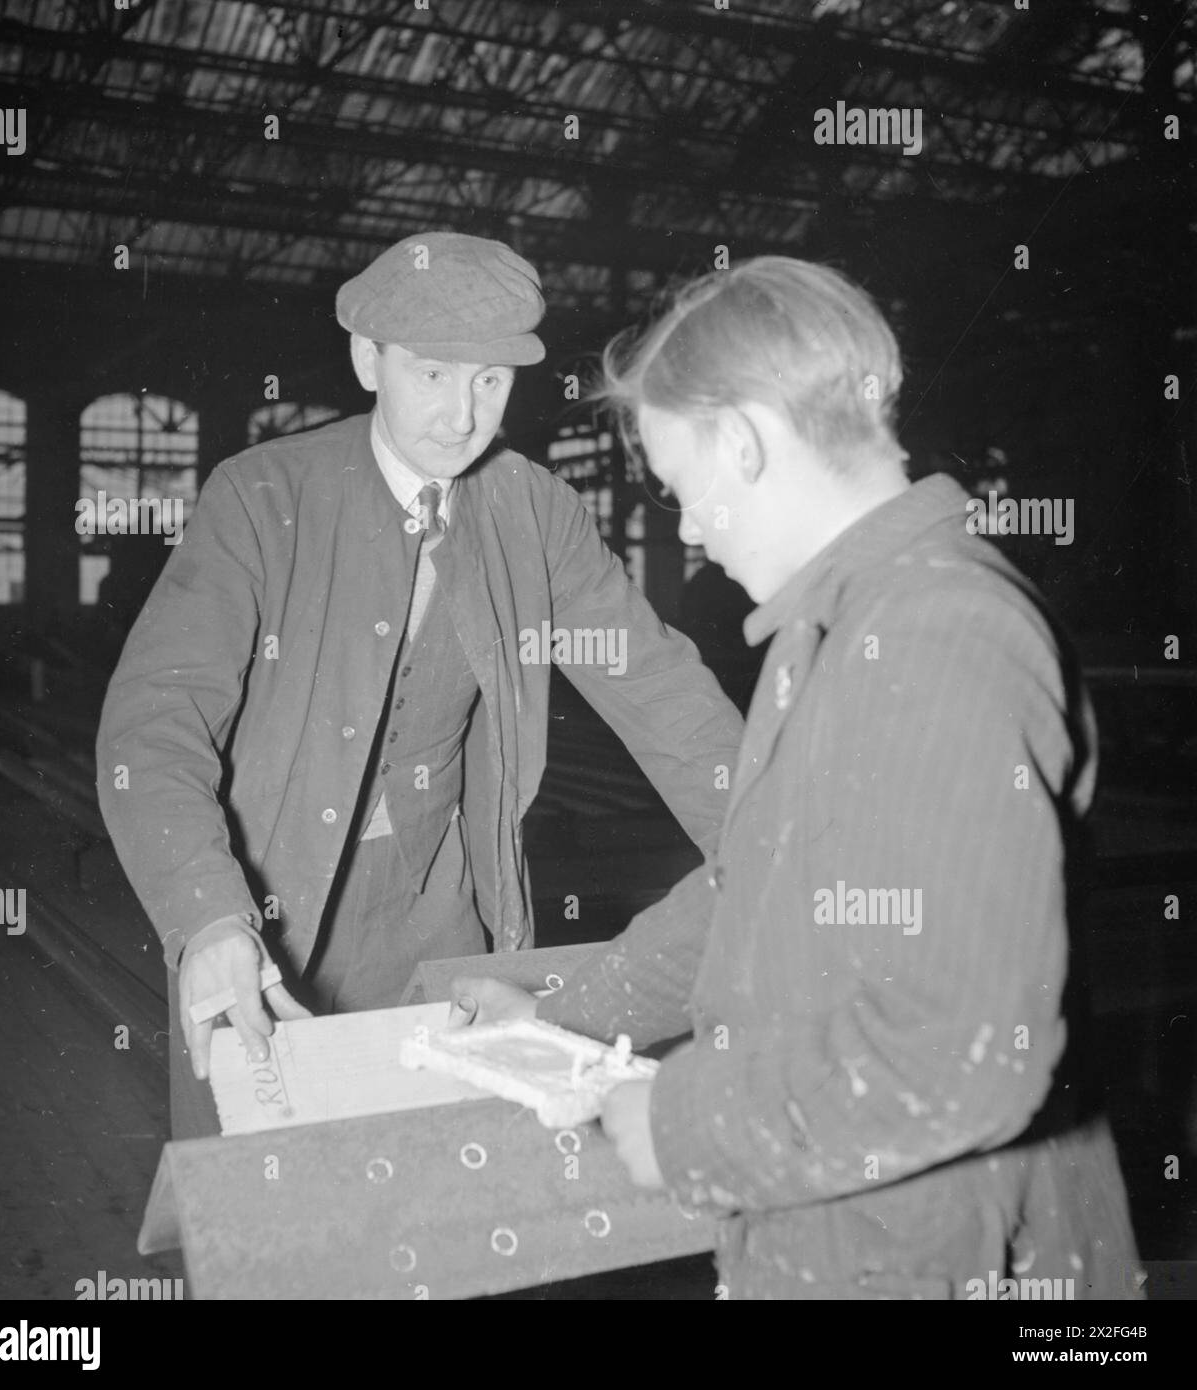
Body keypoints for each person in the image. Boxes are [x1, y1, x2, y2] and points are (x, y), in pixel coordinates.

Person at [453, 256, 1143, 1300]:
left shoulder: (938, 632)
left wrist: (685, 1124)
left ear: (745, 441)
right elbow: (751, 884)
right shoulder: (838, 624)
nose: (684, 529)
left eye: (684, 490)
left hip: (937, 1254)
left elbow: (965, 1051)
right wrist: (562, 1025)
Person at [96, 232, 743, 1138]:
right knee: (274, 1209)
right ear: (369, 359)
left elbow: (665, 693)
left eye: (490, 381)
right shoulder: (261, 497)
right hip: (265, 918)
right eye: (433, 374)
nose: (460, 415)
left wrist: (776, 851)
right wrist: (206, 920)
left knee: (446, 1178)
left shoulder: (535, 513)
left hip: (445, 912)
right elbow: (155, 724)